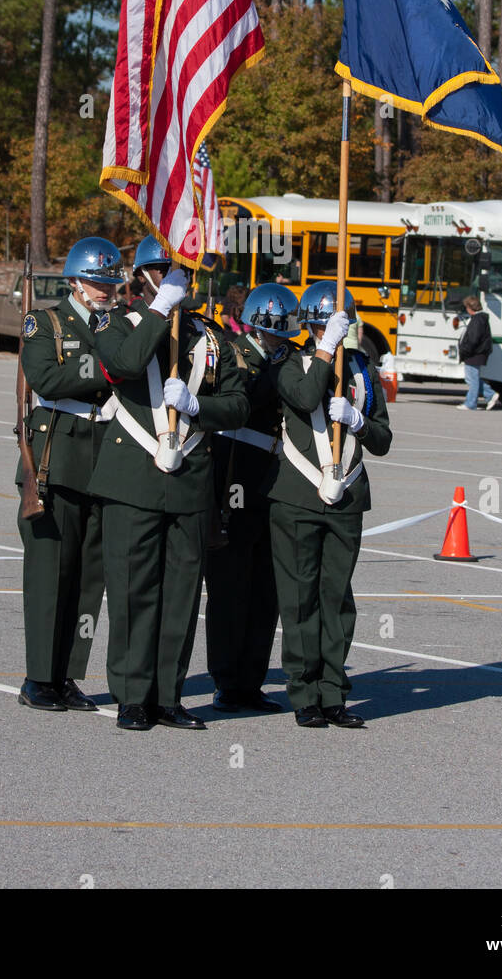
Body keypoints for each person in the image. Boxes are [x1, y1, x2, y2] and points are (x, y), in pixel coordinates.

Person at [90, 236, 250, 731]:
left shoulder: (210, 337)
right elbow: (126, 365)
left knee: (181, 591)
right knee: (134, 589)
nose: (172, 276)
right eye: (161, 268)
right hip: (132, 476)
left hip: (190, 478)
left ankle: (168, 695)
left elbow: (239, 404)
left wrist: (202, 407)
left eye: (180, 269)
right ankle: (132, 696)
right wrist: (160, 309)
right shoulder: (120, 323)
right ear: (142, 275)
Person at [263, 281, 392, 728]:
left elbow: (384, 439)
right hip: (297, 495)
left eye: (334, 325)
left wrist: (357, 421)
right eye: (320, 326)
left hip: (348, 497)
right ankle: (303, 694)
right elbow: (302, 396)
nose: (327, 332)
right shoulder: (289, 363)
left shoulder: (361, 370)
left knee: (336, 600)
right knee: (300, 598)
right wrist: (326, 349)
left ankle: (334, 693)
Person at [16, 236, 124, 712]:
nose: (106, 290)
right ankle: (39, 677)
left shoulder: (118, 325)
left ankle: (68, 676)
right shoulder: (45, 322)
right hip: (56, 460)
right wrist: (110, 370)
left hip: (104, 460)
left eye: (110, 282)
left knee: (87, 578)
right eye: (98, 283)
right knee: (50, 574)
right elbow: (48, 379)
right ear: (76, 282)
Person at [206, 282, 299, 715]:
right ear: (256, 325)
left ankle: (252, 680)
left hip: (276, 477)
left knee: (267, 587)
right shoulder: (233, 352)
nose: (281, 338)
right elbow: (244, 400)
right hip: (235, 472)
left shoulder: (289, 358)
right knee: (231, 584)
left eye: (286, 330)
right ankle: (227, 681)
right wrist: (281, 368)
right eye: (274, 330)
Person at [456, 295, 500, 411]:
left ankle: (471, 403)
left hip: (473, 354)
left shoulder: (477, 319)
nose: (466, 309)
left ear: (471, 308)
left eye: (466, 307)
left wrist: (465, 351)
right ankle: (490, 395)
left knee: (472, 379)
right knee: (472, 378)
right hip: (476, 354)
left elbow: (473, 339)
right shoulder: (479, 318)